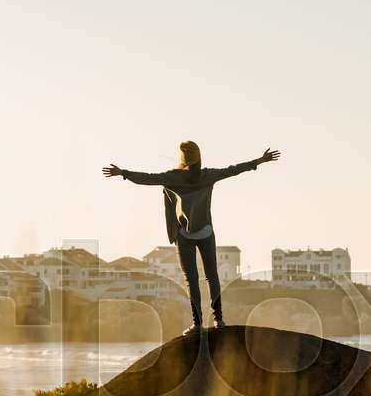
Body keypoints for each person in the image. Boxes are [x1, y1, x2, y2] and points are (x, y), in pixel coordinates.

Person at [103, 141, 281, 335]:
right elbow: (233, 170)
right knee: (212, 276)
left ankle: (198, 324)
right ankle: (219, 320)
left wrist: (123, 173)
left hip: (184, 236)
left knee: (192, 280)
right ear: (199, 157)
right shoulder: (207, 175)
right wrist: (260, 160)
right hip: (206, 232)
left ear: (183, 159)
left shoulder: (173, 177)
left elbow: (147, 178)